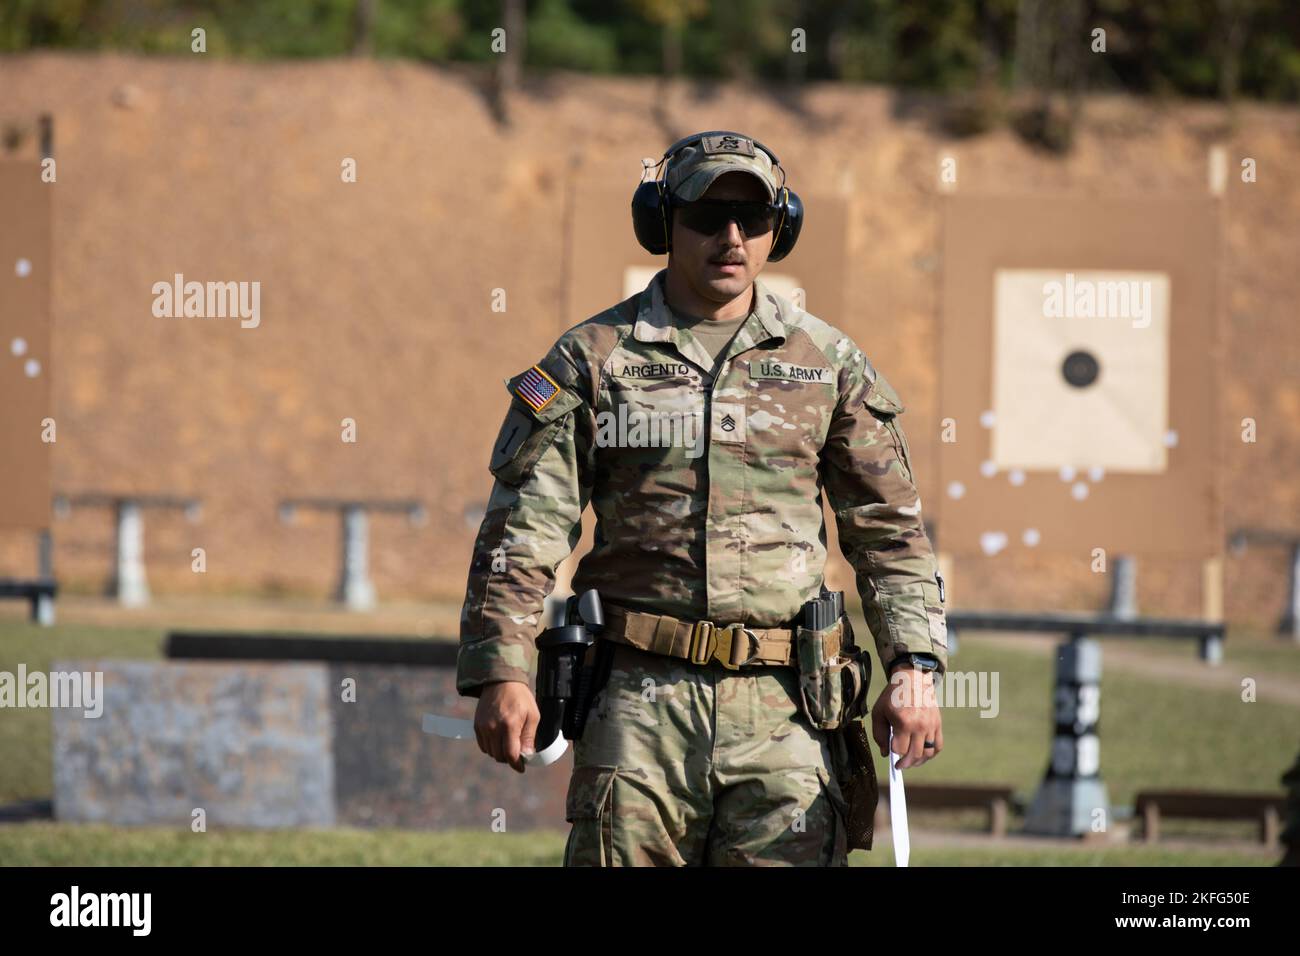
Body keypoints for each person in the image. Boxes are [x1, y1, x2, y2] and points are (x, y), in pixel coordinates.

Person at [457, 130, 948, 866]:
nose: (730, 237)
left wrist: (913, 668)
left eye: (751, 219)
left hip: (789, 711)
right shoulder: (592, 359)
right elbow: (526, 529)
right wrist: (503, 669)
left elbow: (890, 536)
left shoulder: (828, 365)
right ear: (661, 222)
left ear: (780, 228)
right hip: (638, 707)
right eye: (706, 215)